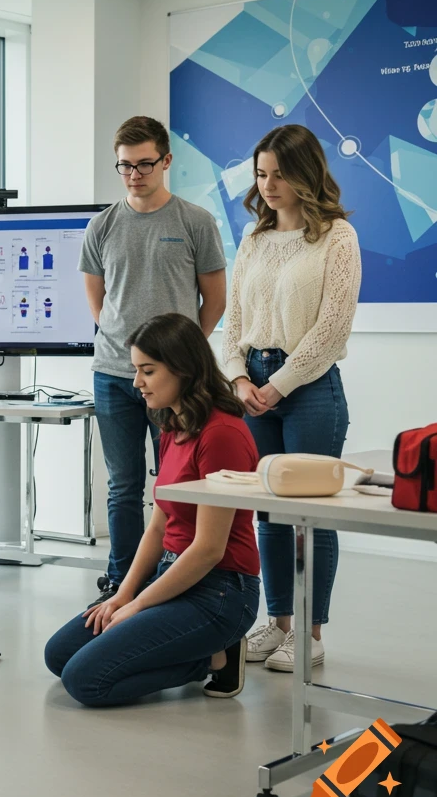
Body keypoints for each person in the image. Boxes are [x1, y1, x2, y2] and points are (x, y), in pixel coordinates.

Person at [44, 313, 261, 707]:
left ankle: (213, 657)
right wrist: (122, 595)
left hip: (220, 591)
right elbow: (158, 527)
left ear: (183, 369)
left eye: (147, 371)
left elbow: (210, 549)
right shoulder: (173, 425)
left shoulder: (222, 434)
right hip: (172, 574)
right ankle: (195, 648)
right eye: (135, 370)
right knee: (58, 655)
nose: (136, 383)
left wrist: (140, 604)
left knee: (85, 681)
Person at [221, 124, 360, 673]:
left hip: (309, 390)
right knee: (269, 516)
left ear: (306, 174)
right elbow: (234, 321)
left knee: (312, 517)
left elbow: (331, 328)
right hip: (251, 384)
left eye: (280, 173)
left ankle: (310, 633)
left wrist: (279, 384)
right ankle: (277, 622)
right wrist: (237, 378)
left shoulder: (336, 238)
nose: (269, 184)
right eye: (261, 174)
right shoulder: (253, 240)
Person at [80, 116, 227, 603]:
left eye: (144, 164)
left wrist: (178, 357)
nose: (134, 174)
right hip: (113, 377)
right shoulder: (101, 225)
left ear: (166, 161)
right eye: (124, 166)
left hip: (175, 382)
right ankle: (122, 584)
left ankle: (172, 578)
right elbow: (98, 302)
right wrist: (130, 354)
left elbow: (216, 300)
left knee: (176, 485)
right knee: (123, 486)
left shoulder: (194, 221)